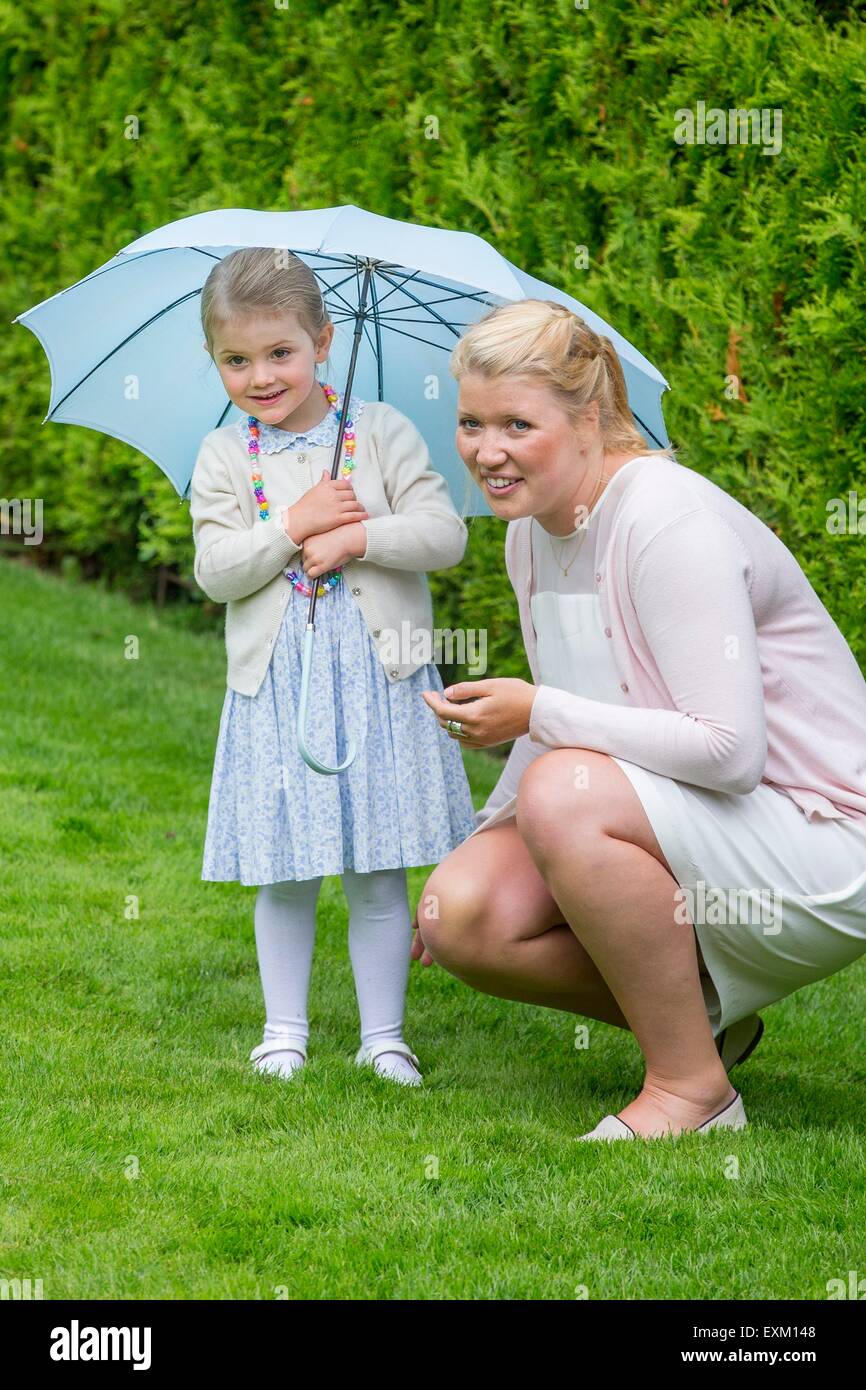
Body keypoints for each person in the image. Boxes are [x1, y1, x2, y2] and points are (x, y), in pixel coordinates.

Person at [416, 298, 866, 1140]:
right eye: (472, 422)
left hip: (826, 836)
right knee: (464, 912)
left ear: (590, 417)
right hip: (704, 819)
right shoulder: (531, 533)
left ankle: (692, 1093)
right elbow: (572, 711)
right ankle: (710, 1032)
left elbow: (729, 752)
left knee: (565, 790)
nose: (487, 450)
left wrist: (536, 710)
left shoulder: (663, 518)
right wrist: (476, 838)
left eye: (518, 422)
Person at [189, 248, 476, 1087]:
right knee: (285, 868)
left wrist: (357, 535)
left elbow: (444, 534)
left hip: (379, 680)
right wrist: (292, 526)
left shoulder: (378, 431)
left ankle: (384, 1035)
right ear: (216, 363)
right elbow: (216, 572)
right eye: (236, 361)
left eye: (281, 352)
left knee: (378, 864)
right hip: (282, 685)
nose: (261, 375)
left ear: (324, 339)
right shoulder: (224, 456)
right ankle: (285, 1031)